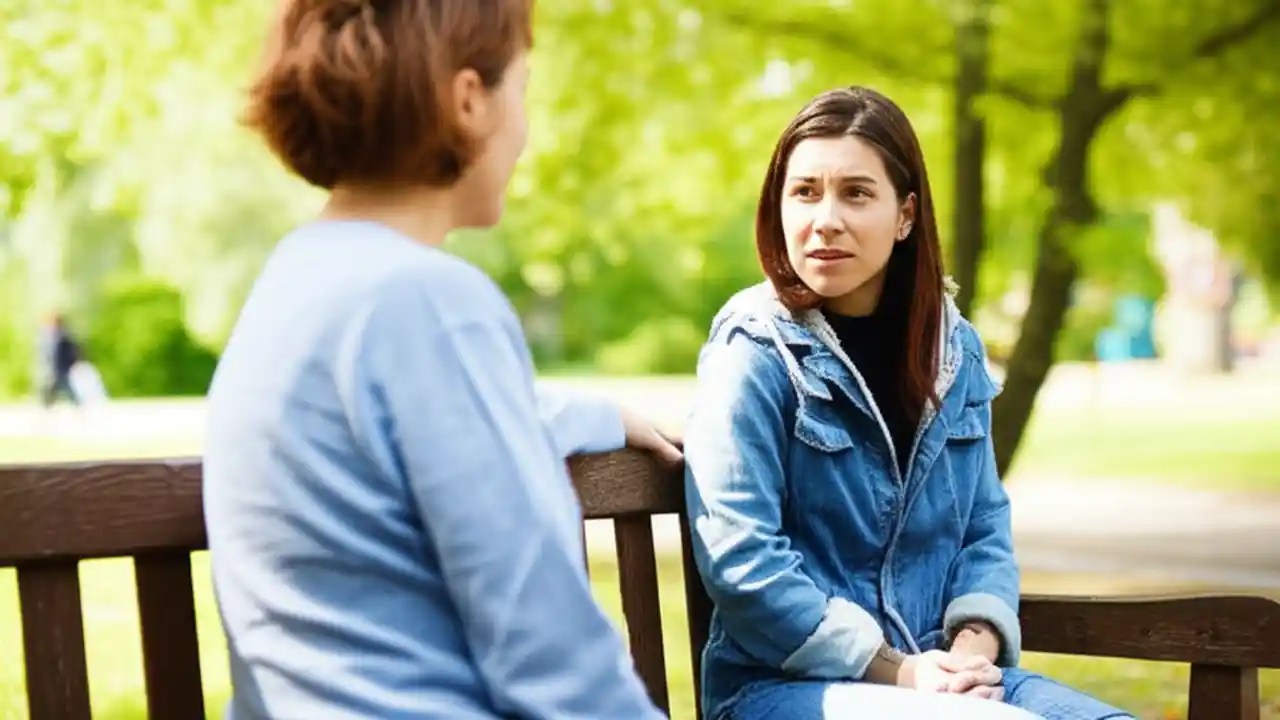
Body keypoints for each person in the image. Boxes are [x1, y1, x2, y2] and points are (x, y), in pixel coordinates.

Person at [202, 1, 678, 718]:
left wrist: (594, 414)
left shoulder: (295, 282)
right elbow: (550, 655)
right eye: (521, 87)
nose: (525, 126)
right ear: (467, 101)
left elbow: (416, 443)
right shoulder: (428, 302)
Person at [683, 87, 1134, 720]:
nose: (825, 218)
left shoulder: (955, 350)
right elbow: (743, 564)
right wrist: (900, 671)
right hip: (782, 688)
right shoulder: (754, 349)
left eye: (856, 193)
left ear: (905, 216)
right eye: (805, 191)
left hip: (943, 680)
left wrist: (971, 652)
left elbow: (983, 527)